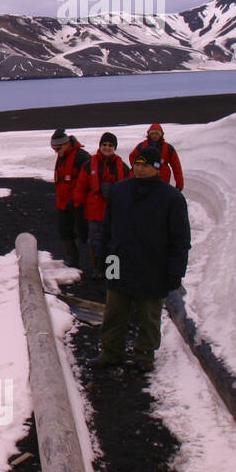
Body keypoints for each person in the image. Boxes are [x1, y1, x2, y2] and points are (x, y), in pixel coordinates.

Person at [96, 146, 191, 372]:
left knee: (149, 315)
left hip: (153, 265)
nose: (139, 169)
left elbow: (180, 240)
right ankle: (110, 353)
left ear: (157, 168)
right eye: (137, 164)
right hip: (118, 262)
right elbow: (106, 227)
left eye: (145, 165)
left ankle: (144, 356)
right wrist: (103, 257)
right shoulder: (119, 190)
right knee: (114, 311)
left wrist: (175, 272)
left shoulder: (172, 198)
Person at [73, 132, 128, 279]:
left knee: (114, 241)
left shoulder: (122, 166)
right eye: (104, 144)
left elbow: (130, 187)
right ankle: (97, 269)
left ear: (115, 147)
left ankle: (112, 272)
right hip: (94, 211)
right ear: (100, 146)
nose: (107, 147)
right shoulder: (89, 165)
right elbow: (81, 187)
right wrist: (78, 206)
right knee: (94, 241)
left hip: (115, 212)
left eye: (110, 145)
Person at [50, 128, 90, 269]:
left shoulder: (82, 157)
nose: (57, 152)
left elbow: (88, 181)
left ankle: (96, 265)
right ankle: (72, 260)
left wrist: (76, 200)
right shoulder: (62, 157)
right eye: (55, 150)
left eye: (59, 148)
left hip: (78, 203)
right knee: (64, 231)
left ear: (67, 144)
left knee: (84, 233)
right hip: (63, 203)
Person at [128, 122, 184, 190]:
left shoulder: (168, 148)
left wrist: (179, 184)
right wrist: (138, 168)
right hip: (144, 178)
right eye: (152, 133)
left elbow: (176, 167)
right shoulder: (141, 146)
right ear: (149, 134)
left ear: (161, 135)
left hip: (162, 179)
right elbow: (132, 157)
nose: (154, 135)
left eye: (157, 133)